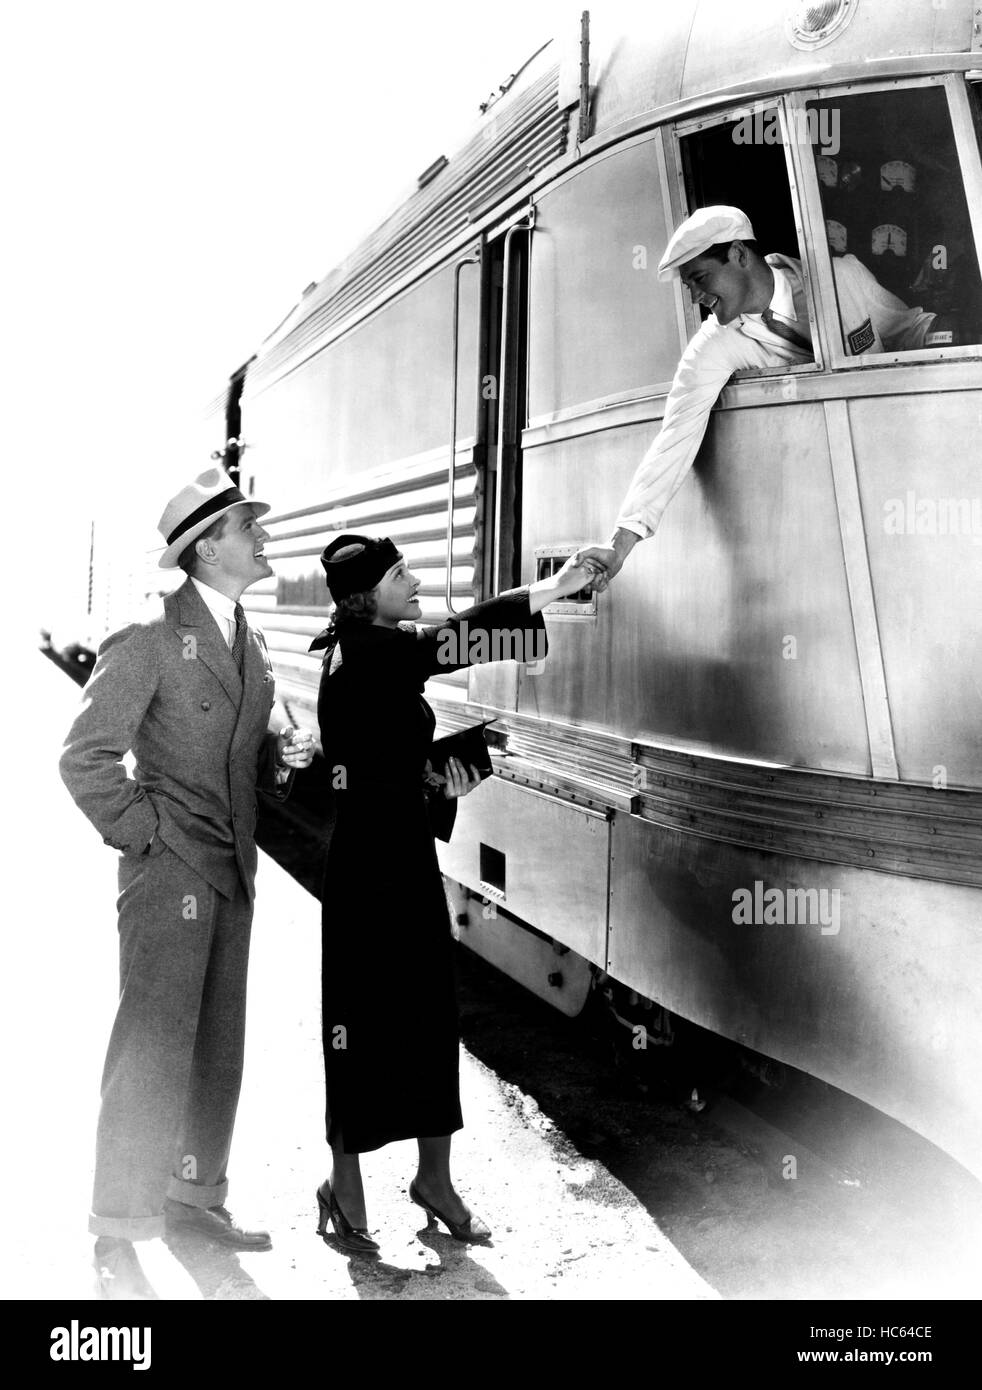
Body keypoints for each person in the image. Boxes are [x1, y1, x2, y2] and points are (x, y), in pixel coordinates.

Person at [60, 466, 314, 1299]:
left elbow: (252, 760)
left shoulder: (248, 636)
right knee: (152, 1050)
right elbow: (85, 758)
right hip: (172, 869)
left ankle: (193, 1195)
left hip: (232, 868)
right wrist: (151, 837)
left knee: (216, 1048)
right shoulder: (149, 638)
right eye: (251, 526)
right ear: (211, 548)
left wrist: (284, 758)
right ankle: (117, 1229)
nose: (264, 536)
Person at [308, 534, 597, 1251]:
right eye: (400, 574)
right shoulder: (372, 653)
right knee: (359, 1025)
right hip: (366, 873)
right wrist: (551, 590)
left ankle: (432, 1180)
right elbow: (455, 641)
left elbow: (385, 763)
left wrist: (440, 781)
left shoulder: (371, 646)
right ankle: (343, 1185)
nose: (414, 581)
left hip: (397, 858)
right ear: (365, 595)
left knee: (428, 1018)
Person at [577, 204, 941, 589]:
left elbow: (910, 330)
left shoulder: (843, 277)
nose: (697, 296)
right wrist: (618, 546)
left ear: (737, 254)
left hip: (908, 474)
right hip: (830, 507)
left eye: (700, 278)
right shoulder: (716, 344)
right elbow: (674, 439)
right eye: (690, 286)